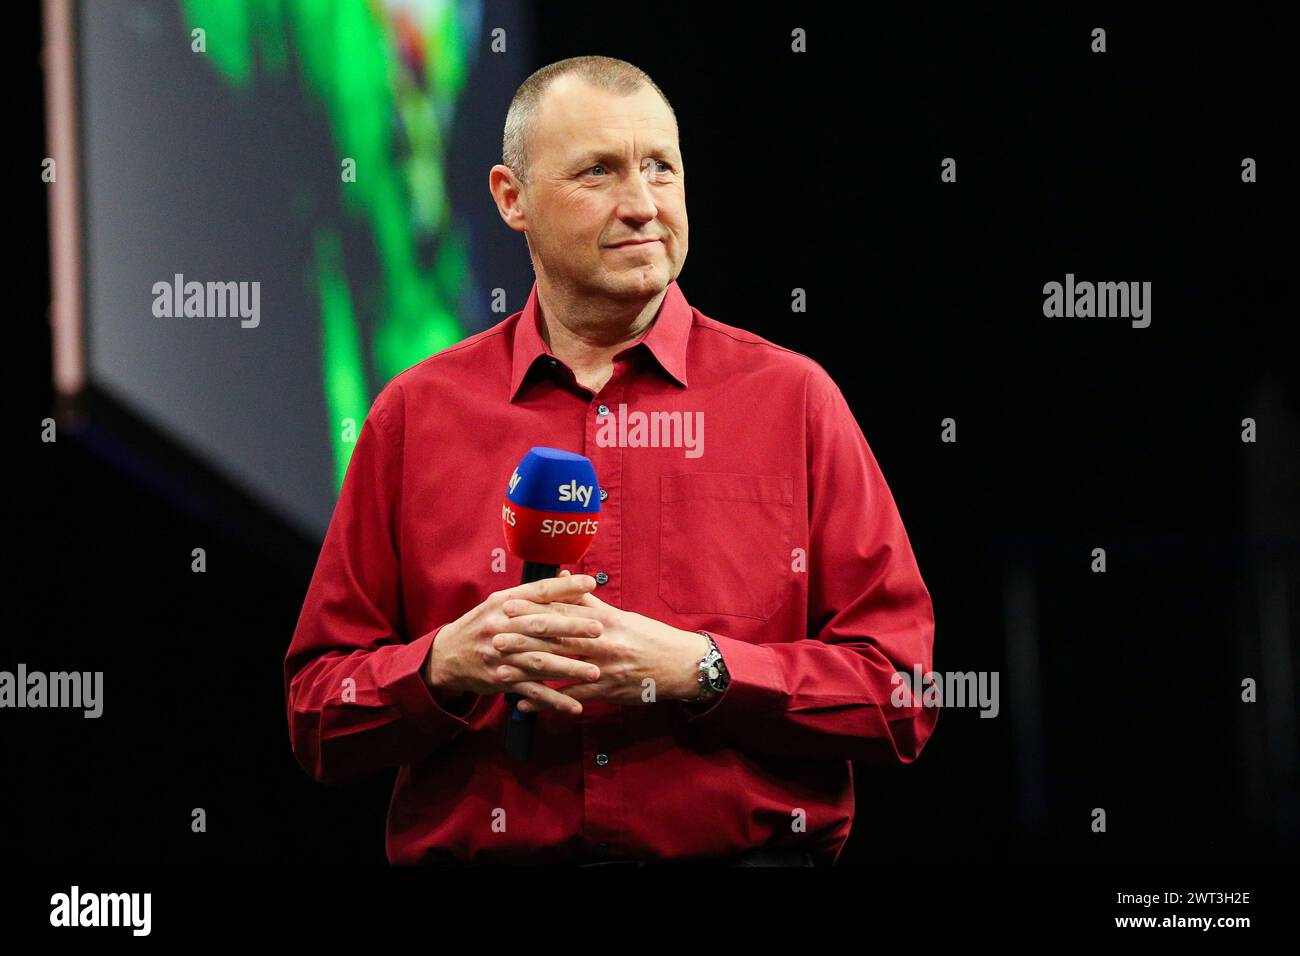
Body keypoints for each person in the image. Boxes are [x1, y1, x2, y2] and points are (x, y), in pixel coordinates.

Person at [284, 55, 938, 866]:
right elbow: (317, 714)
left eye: (661, 168)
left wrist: (704, 670)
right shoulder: (417, 415)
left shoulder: (793, 400)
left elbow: (901, 694)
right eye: (599, 171)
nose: (642, 206)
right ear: (509, 197)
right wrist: (444, 665)